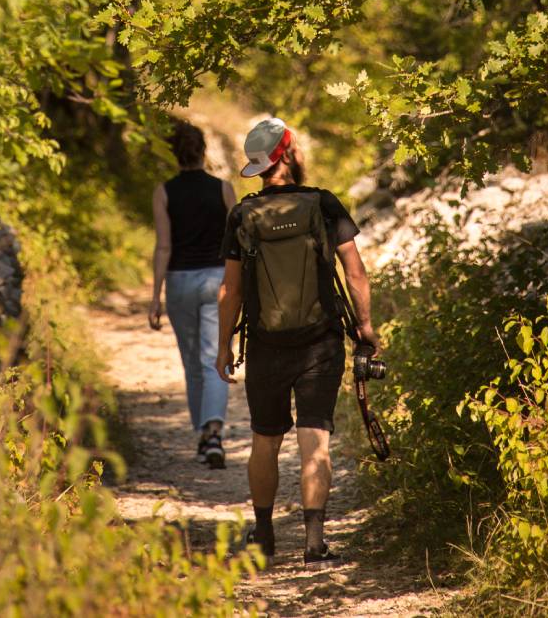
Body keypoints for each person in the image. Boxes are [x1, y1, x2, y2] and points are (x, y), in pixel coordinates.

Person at [215, 116, 378, 568]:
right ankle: (313, 542)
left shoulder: (243, 214)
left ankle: (263, 537)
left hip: (265, 344)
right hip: (320, 341)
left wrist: (224, 345)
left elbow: (230, 290)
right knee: (315, 437)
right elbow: (356, 272)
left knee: (264, 439)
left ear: (261, 166)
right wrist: (365, 327)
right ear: (289, 154)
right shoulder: (323, 205)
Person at [149, 119, 237, 468]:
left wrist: (155, 296)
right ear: (203, 151)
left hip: (180, 281)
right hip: (218, 280)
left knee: (192, 363)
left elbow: (163, 246)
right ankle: (214, 432)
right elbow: (237, 241)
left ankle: (202, 433)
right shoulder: (224, 189)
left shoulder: (164, 192)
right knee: (213, 356)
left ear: (175, 154)